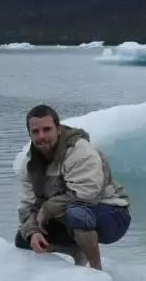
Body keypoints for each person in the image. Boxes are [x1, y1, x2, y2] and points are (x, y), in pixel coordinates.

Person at [14, 104, 131, 270]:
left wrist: (47, 208)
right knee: (23, 240)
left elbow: (87, 194)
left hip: (112, 214)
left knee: (76, 214)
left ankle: (96, 270)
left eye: (47, 129)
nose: (41, 136)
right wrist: (33, 232)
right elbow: (26, 205)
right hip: (66, 215)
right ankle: (75, 250)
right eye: (36, 132)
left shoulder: (79, 150)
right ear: (29, 134)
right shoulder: (29, 164)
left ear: (58, 129)